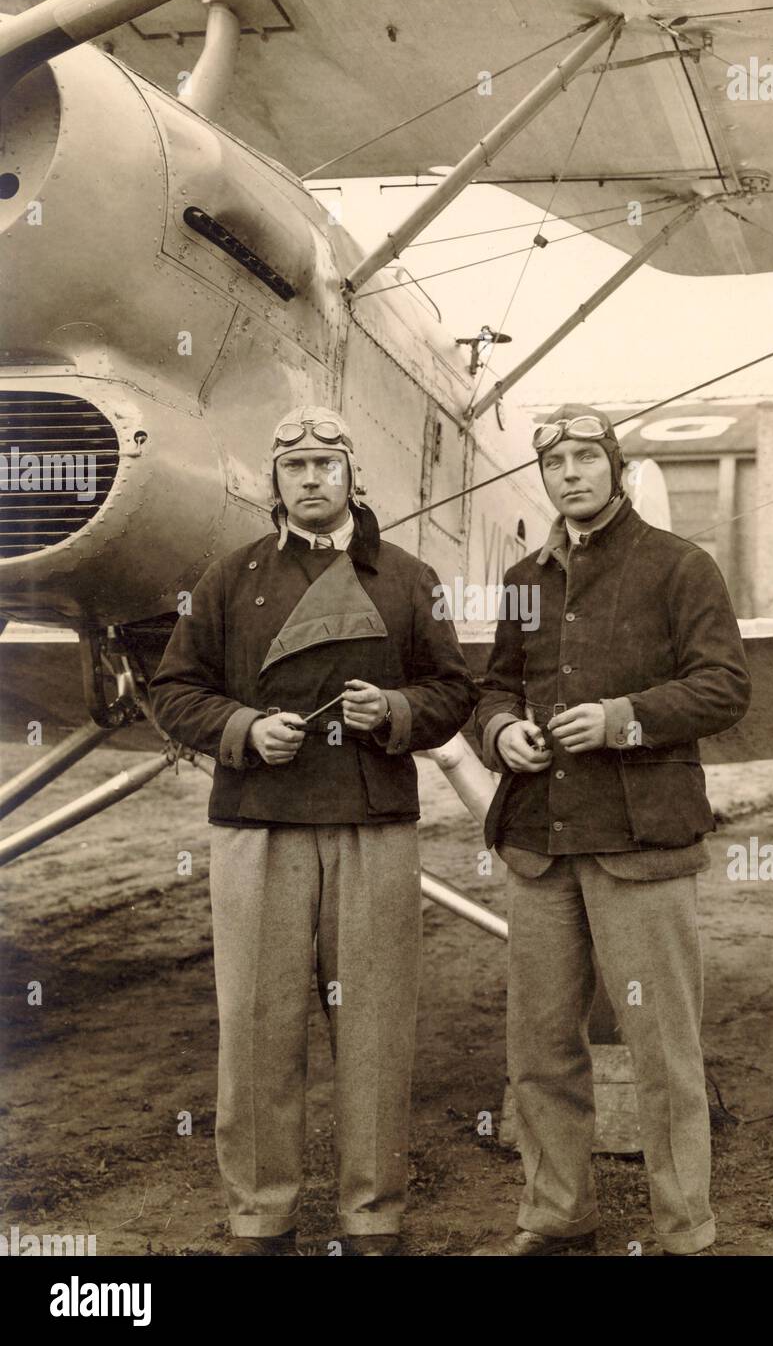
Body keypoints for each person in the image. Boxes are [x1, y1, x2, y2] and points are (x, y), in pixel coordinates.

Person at [150, 406, 475, 1257]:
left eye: (326, 463)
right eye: (293, 464)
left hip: (371, 825)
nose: (310, 478)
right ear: (275, 480)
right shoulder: (228, 578)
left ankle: (373, 1217)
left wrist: (398, 709)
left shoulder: (408, 578)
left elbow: (455, 692)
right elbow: (174, 692)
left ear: (351, 475)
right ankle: (262, 1217)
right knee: (256, 1026)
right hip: (257, 827)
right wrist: (244, 731)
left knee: (373, 1027)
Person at [473, 404, 751, 1257]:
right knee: (541, 1047)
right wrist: (499, 731)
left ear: (616, 468)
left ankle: (685, 1230)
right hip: (539, 845)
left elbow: (725, 689)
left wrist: (624, 718)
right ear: (545, 479)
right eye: (556, 464)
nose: (572, 475)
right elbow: (492, 687)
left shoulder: (680, 567)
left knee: (663, 1049)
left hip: (641, 847)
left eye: (587, 459)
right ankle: (559, 1217)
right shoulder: (524, 578)